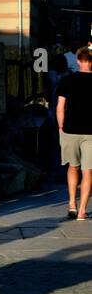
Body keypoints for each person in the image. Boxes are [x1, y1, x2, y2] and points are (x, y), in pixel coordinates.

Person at [56, 46, 92, 220]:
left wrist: (60, 127)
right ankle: (83, 210)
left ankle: (72, 204)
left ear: (78, 60)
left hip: (70, 129)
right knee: (88, 171)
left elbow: (60, 107)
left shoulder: (67, 80)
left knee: (73, 167)